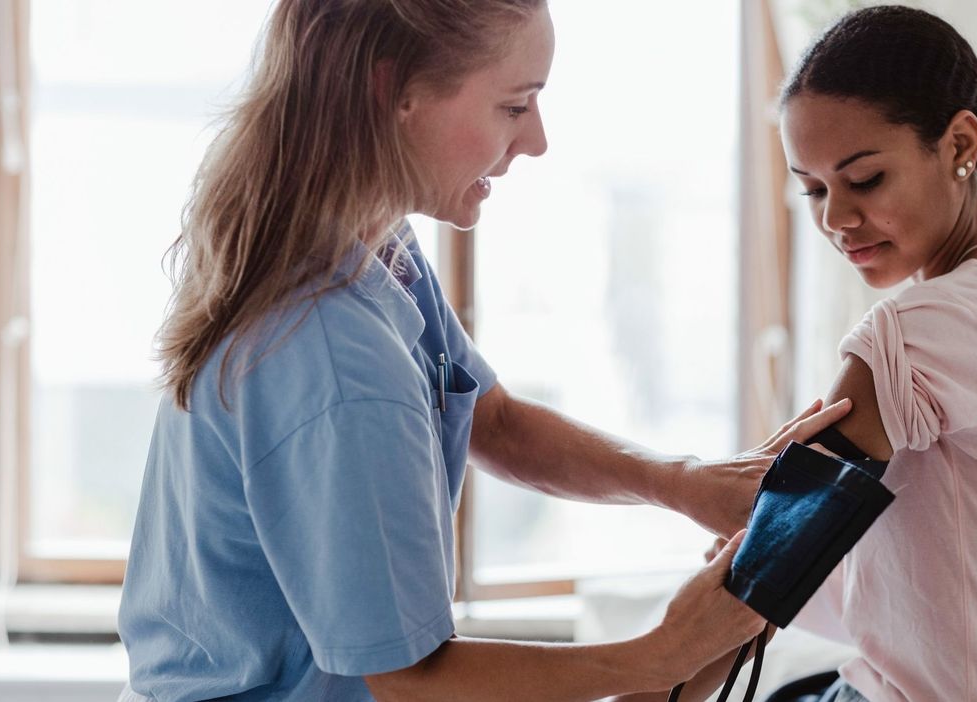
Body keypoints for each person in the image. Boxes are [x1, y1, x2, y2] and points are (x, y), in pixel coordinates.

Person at [116, 1, 853, 700]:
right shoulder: (336, 354)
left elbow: (492, 420)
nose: (535, 140)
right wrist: (660, 651)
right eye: (513, 105)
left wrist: (682, 483)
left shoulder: (371, 247)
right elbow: (410, 681)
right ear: (393, 91)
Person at [639, 6, 977, 702]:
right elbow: (891, 573)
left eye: (865, 181)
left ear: (959, 145)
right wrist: (766, 532)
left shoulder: (927, 326)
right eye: (815, 189)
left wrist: (642, 690)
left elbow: (770, 574)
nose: (834, 219)